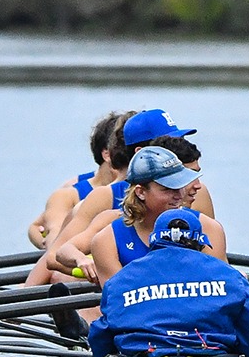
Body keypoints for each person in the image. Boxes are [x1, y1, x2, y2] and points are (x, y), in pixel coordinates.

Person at [87, 208, 249, 357]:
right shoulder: (231, 277)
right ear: (199, 243)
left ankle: (75, 328)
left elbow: (99, 342)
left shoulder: (119, 280)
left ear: (153, 240)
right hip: (210, 356)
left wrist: (101, 353)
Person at [41, 108, 215, 259]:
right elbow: (53, 257)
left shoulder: (198, 192)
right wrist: (97, 262)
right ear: (141, 152)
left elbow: (214, 257)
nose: (179, 150)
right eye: (167, 145)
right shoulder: (105, 199)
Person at [50, 145, 226, 286]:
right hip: (136, 323)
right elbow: (63, 251)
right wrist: (81, 260)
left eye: (180, 185)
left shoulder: (209, 228)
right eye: (167, 189)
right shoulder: (109, 233)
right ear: (141, 192)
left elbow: (222, 287)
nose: (179, 195)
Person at [26, 110, 131, 250]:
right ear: (108, 154)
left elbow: (36, 225)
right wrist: (49, 244)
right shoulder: (69, 192)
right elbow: (54, 229)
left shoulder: (148, 190)